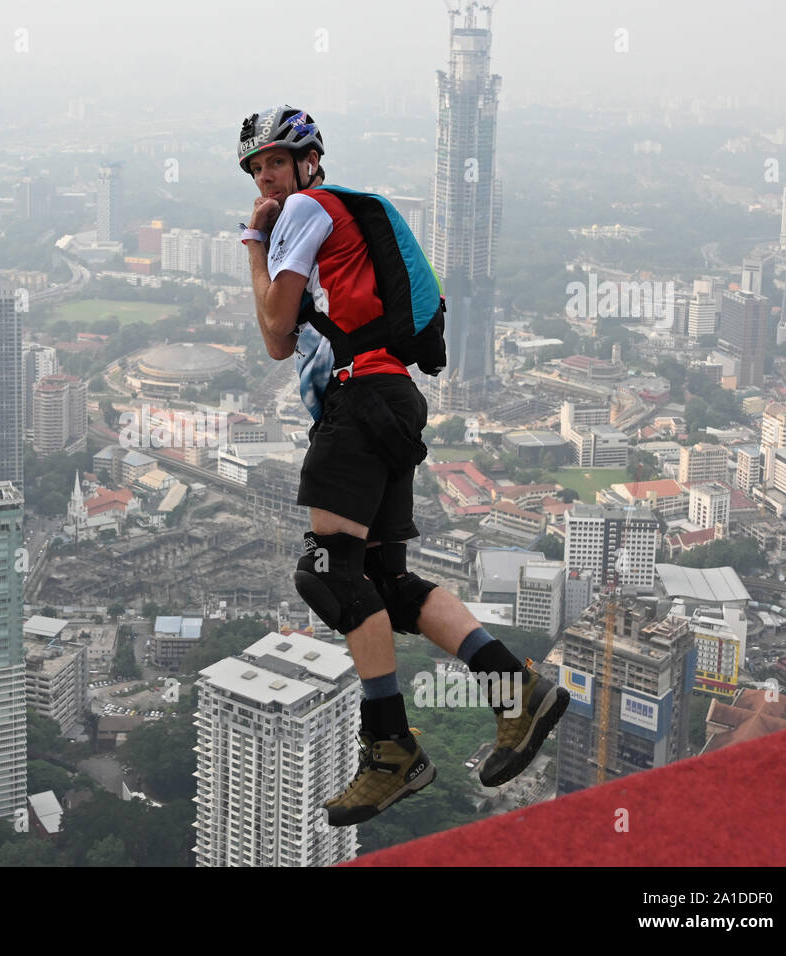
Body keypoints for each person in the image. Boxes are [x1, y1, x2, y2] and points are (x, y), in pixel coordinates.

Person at [238, 105, 569, 826]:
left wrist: (254, 243)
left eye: (274, 161)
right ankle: (517, 690)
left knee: (326, 571)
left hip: (360, 406)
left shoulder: (300, 210)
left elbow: (273, 332)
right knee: (385, 581)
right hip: (392, 400)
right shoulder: (339, 214)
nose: (265, 176)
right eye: (256, 167)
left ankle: (390, 747)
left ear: (309, 161)